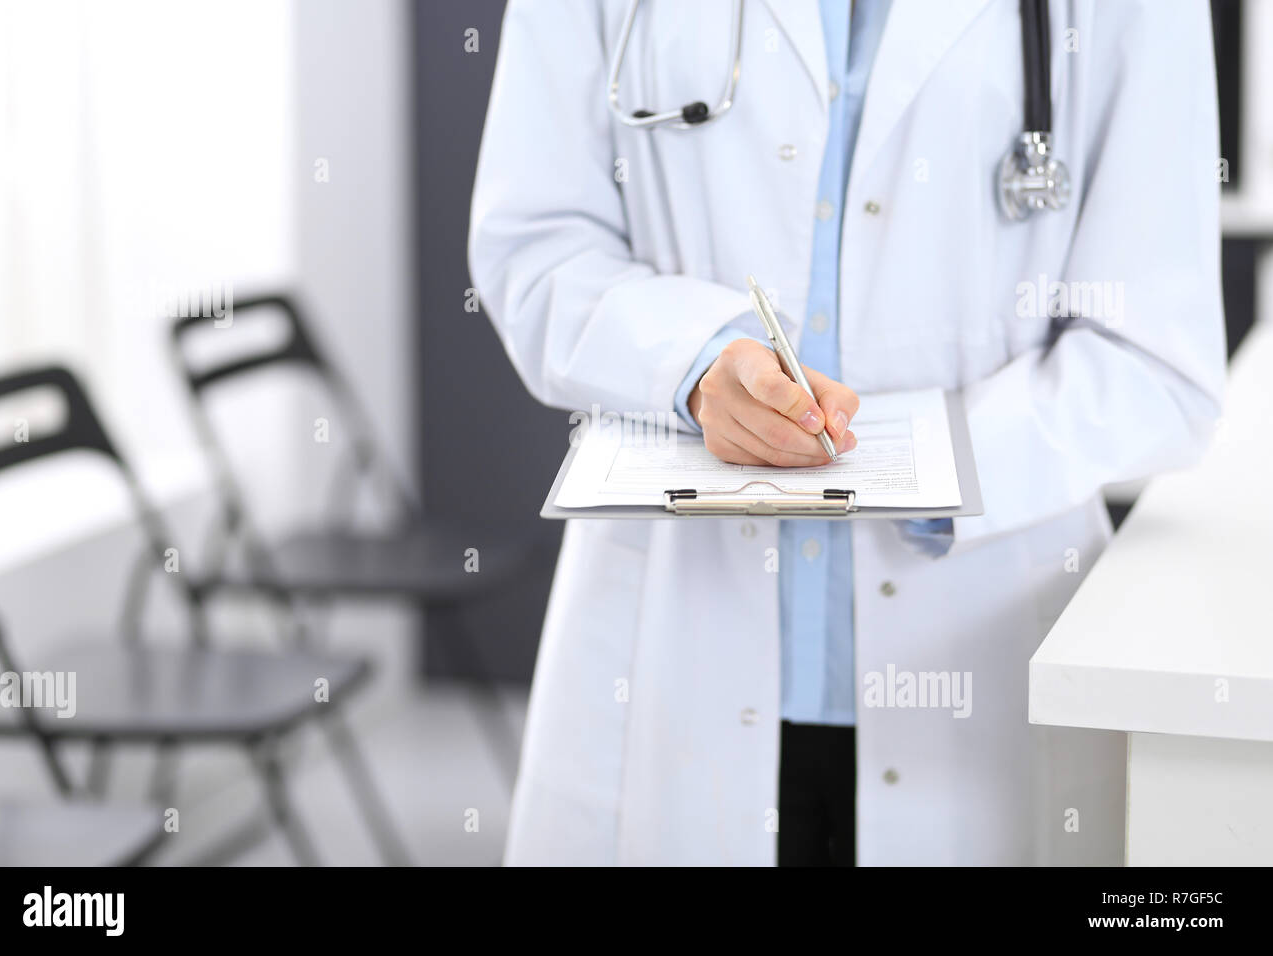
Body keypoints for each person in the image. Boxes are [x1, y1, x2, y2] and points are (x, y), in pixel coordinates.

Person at [469, 0, 1225, 865]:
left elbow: (1154, 359)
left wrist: (946, 469)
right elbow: (532, 245)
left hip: (980, 653)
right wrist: (697, 364)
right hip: (674, 655)